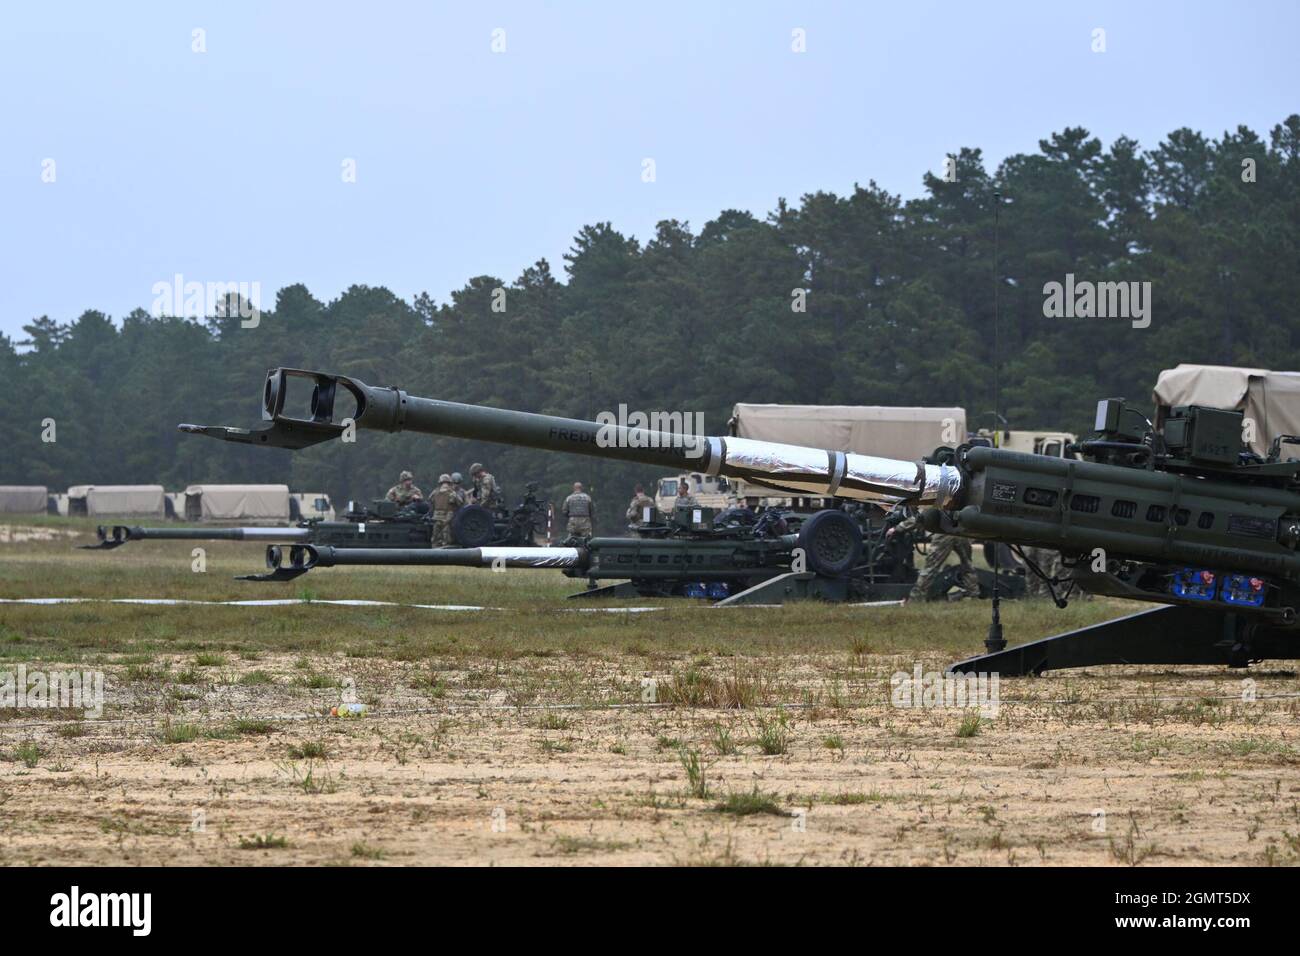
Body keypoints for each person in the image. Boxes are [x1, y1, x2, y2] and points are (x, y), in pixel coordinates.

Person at [888, 514, 979, 603]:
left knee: (930, 567)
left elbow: (922, 517)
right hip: (961, 531)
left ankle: (916, 598)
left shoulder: (940, 503)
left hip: (944, 532)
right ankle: (973, 593)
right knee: (967, 565)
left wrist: (898, 528)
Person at [430, 473, 465, 547]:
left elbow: (430, 500)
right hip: (446, 518)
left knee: (437, 538)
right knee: (445, 539)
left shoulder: (436, 492)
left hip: (439, 518)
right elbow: (460, 502)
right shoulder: (451, 492)